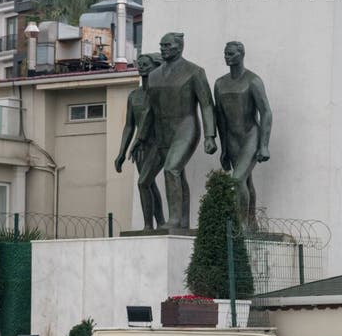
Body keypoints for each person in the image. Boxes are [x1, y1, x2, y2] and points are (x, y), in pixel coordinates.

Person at [138, 32, 216, 229]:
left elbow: (207, 105)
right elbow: (150, 109)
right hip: (162, 132)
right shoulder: (154, 76)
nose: (163, 49)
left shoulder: (194, 72)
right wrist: (141, 137)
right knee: (176, 174)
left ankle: (174, 219)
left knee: (171, 169)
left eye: (168, 45)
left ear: (179, 47)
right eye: (161, 45)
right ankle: (183, 221)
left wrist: (210, 135)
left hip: (186, 128)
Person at [214, 41, 272, 229]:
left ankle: (242, 226)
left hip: (250, 136)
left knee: (237, 179)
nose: (227, 57)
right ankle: (252, 221)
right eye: (225, 54)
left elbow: (266, 112)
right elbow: (220, 119)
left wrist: (264, 144)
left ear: (241, 55)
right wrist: (223, 149)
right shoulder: (220, 84)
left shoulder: (252, 80)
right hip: (231, 139)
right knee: (245, 179)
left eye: (231, 54)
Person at [114, 52, 165, 230]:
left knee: (143, 182)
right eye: (139, 64)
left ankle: (151, 225)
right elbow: (129, 126)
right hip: (140, 148)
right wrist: (121, 152)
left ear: (157, 67)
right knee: (148, 183)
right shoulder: (134, 96)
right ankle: (156, 223)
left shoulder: (161, 93)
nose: (141, 67)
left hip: (159, 144)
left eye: (146, 65)